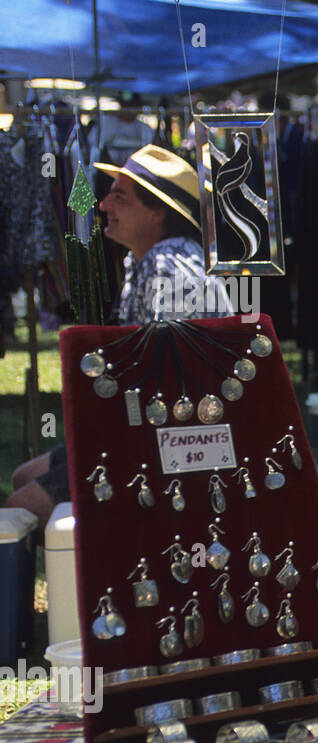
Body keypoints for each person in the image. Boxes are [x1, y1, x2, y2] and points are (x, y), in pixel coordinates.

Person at [7, 144, 231, 527]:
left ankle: (95, 579)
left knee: (19, 506)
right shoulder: (154, 258)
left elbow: (173, 390)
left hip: (165, 447)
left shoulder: (171, 268)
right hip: (139, 431)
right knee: (22, 479)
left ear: (159, 211)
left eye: (119, 197)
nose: (103, 204)